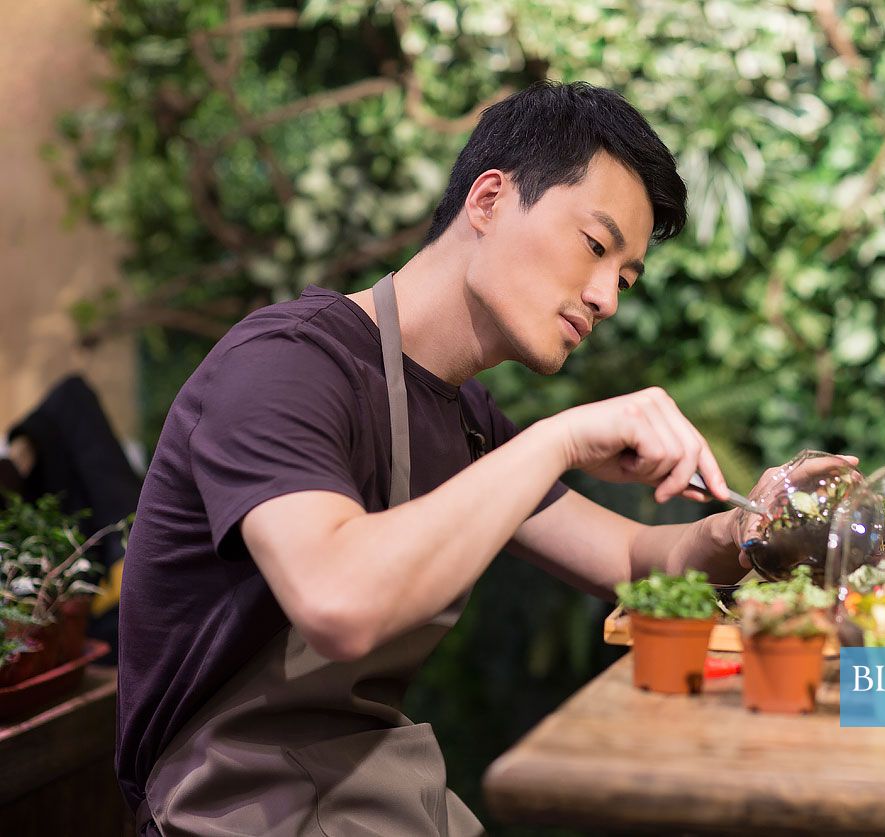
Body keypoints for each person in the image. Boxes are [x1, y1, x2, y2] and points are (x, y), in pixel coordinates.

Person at [116, 81, 757, 836]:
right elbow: (338, 601)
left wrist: (755, 526)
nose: (606, 297)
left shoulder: (462, 414)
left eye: (623, 277)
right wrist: (557, 439)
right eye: (595, 246)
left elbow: (636, 561)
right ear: (487, 201)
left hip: (360, 799)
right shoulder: (284, 363)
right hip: (229, 813)